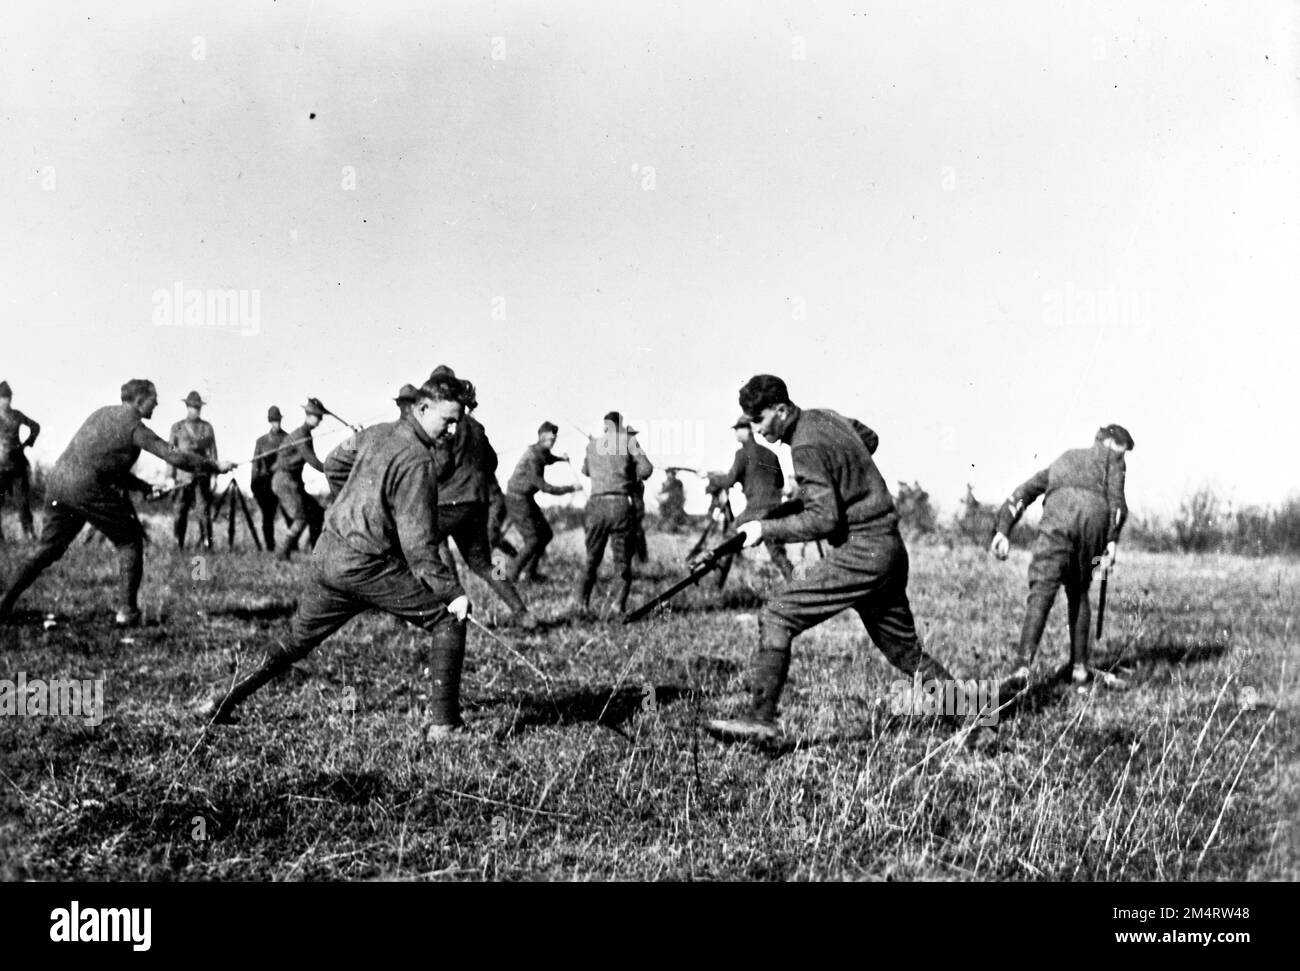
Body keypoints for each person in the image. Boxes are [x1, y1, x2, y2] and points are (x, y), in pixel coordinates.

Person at [196, 376, 473, 741]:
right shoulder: (419, 461)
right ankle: (445, 726)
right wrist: (453, 593)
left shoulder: (375, 432)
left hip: (329, 553)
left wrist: (356, 506)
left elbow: (333, 464)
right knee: (447, 624)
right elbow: (420, 546)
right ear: (423, 408)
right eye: (447, 420)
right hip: (367, 566)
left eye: (456, 422)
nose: (452, 430)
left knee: (296, 639)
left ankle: (220, 698)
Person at [705, 375, 963, 744]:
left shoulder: (804, 447)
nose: (756, 429)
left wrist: (766, 529)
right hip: (888, 547)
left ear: (781, 409)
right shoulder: (826, 417)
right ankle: (976, 724)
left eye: (759, 419)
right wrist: (845, 474)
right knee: (905, 651)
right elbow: (869, 438)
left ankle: (759, 718)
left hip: (862, 550)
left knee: (777, 614)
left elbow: (825, 518)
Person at [0, 379, 233, 626]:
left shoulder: (101, 414)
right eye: (154, 399)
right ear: (140, 400)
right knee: (130, 539)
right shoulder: (135, 426)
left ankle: (4, 602)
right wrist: (214, 465)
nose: (157, 403)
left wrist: (143, 487)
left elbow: (104, 463)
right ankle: (127, 612)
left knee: (48, 549)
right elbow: (172, 455)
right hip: (87, 487)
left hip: (58, 484)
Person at [990, 424, 1134, 686]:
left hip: (1057, 523)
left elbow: (1025, 491)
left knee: (1042, 589)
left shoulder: (1066, 458)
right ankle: (1079, 668)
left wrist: (1003, 530)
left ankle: (1022, 668)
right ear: (1114, 446)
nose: (1121, 460)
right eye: (1122, 453)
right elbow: (1118, 504)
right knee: (1078, 591)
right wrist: (1111, 542)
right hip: (1094, 527)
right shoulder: (1114, 463)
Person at [426, 367, 538, 628]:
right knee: (486, 565)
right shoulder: (476, 426)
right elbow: (492, 462)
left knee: (425, 546)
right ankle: (522, 612)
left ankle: (443, 610)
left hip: (447, 504)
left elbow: (441, 467)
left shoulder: (444, 425)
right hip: (477, 505)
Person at [579, 411, 653, 614]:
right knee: (622, 561)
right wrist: (629, 473)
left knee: (591, 559)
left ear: (605, 426)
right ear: (620, 426)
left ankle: (581, 605)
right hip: (620, 505)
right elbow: (646, 470)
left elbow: (586, 471)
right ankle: (618, 605)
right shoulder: (628, 441)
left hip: (596, 505)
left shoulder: (592, 445)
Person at [707, 416, 794, 580]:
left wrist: (711, 477)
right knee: (778, 555)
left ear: (746, 429)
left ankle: (714, 590)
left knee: (727, 544)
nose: (735, 433)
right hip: (775, 510)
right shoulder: (771, 454)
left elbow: (728, 481)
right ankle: (799, 590)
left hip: (755, 510)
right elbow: (780, 482)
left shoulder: (742, 454)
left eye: (737, 429)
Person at [504, 422, 580, 582]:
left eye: (554, 439)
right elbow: (544, 487)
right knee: (533, 539)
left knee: (545, 534)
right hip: (517, 499)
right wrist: (571, 488)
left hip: (525, 498)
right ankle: (512, 576)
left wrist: (561, 459)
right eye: (550, 439)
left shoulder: (541, 451)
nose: (553, 441)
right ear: (542, 437)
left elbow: (548, 458)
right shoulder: (533, 456)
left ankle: (529, 574)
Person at [273, 398, 327, 560]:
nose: (320, 420)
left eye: (321, 416)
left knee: (317, 513)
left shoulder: (305, 434)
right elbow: (312, 461)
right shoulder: (301, 435)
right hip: (284, 481)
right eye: (317, 416)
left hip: (293, 482)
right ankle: (282, 553)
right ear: (309, 415)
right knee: (301, 516)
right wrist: (332, 469)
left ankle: (316, 554)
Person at [168, 391, 219, 550]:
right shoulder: (177, 428)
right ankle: (178, 545)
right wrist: (170, 476)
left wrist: (215, 474)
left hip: (202, 475)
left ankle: (207, 545)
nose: (195, 410)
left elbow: (213, 452)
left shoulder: (207, 428)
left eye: (198, 407)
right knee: (180, 511)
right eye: (192, 407)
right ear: (187, 407)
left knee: (203, 511)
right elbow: (170, 453)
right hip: (182, 476)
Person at [0, 381, 41, 542]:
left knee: (23, 503)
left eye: (8, 398)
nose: (6, 401)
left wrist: (27, 444)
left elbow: (35, 427)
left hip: (17, 466)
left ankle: (30, 535)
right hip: (0, 468)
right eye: (4, 398)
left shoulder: (16, 415)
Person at [250, 406, 289, 552]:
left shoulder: (288, 438)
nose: (276, 424)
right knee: (268, 517)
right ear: (269, 422)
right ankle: (270, 548)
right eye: (273, 421)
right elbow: (256, 465)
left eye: (278, 421)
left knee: (290, 514)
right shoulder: (261, 442)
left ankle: (292, 547)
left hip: (284, 482)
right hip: (266, 485)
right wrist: (254, 484)